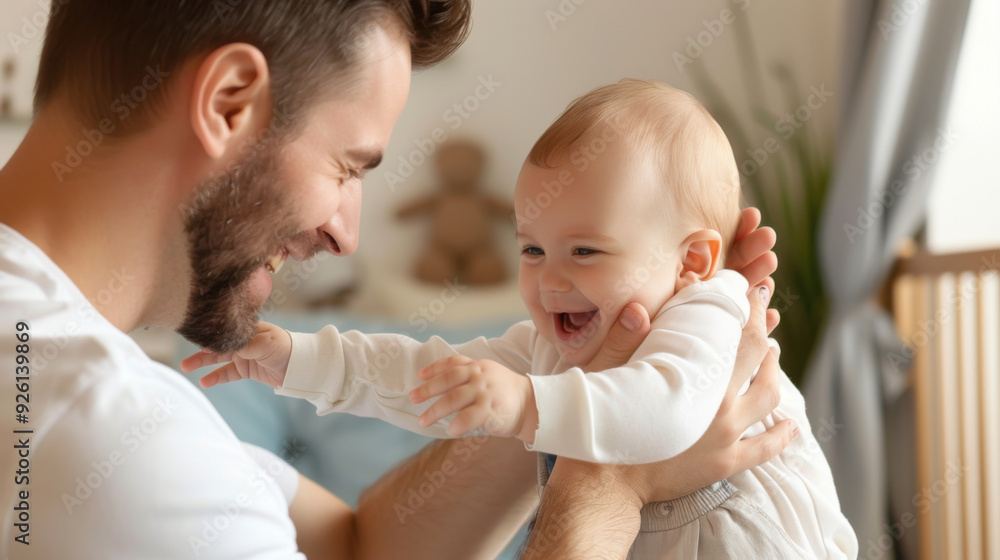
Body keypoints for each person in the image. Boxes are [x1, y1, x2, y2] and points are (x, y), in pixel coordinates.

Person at [0, 2, 794, 559]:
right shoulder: (96, 435)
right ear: (230, 101)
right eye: (348, 168)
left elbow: (358, 549)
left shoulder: (59, 377)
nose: (346, 233)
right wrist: (609, 482)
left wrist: (601, 353)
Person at [186, 80, 857, 558]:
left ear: (693, 262)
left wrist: (526, 403)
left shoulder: (711, 307)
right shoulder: (554, 353)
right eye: (532, 249)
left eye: (585, 251)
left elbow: (668, 411)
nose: (549, 279)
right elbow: (426, 376)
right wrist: (299, 359)